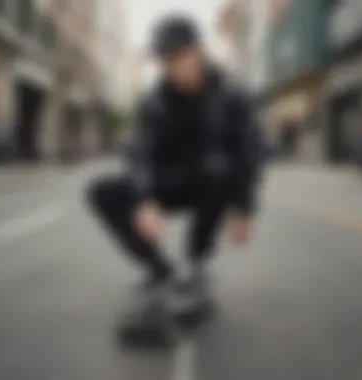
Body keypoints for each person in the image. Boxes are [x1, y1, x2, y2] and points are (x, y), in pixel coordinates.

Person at [87, 15, 262, 343]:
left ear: (197, 51)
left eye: (177, 58)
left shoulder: (233, 95)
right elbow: (141, 155)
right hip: (167, 182)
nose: (171, 67)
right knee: (101, 192)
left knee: (218, 168)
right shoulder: (155, 102)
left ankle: (194, 265)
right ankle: (159, 270)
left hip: (210, 182)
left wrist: (244, 209)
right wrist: (144, 200)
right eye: (164, 60)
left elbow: (247, 154)